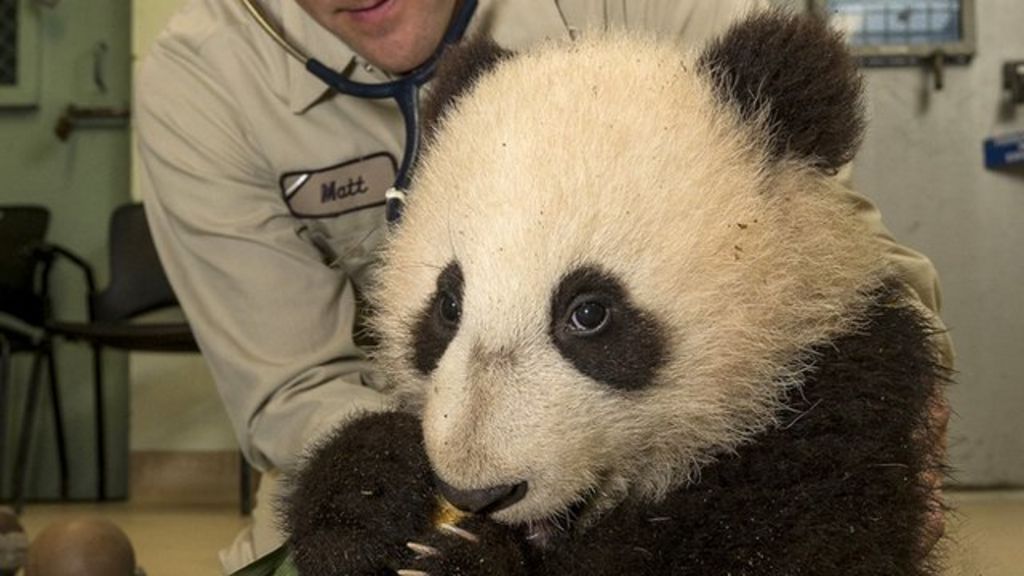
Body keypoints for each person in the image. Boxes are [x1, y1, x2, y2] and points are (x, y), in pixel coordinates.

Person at [135, 1, 953, 573]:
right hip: (393, 437)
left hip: (686, 464)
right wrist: (378, 483)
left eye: (593, 315)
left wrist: (889, 411)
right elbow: (291, 387)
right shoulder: (200, 80)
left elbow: (814, 250)